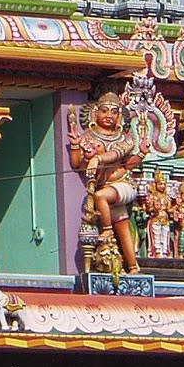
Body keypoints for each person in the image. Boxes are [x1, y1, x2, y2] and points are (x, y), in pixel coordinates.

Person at [67, 88, 142, 272]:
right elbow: (77, 164)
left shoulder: (124, 139)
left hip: (123, 185)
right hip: (108, 190)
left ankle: (106, 230)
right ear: (95, 113)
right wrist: (76, 145)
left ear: (119, 117)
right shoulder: (88, 137)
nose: (109, 115)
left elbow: (117, 155)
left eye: (114, 112)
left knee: (100, 197)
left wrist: (98, 158)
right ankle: (133, 267)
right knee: (123, 226)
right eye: (104, 111)